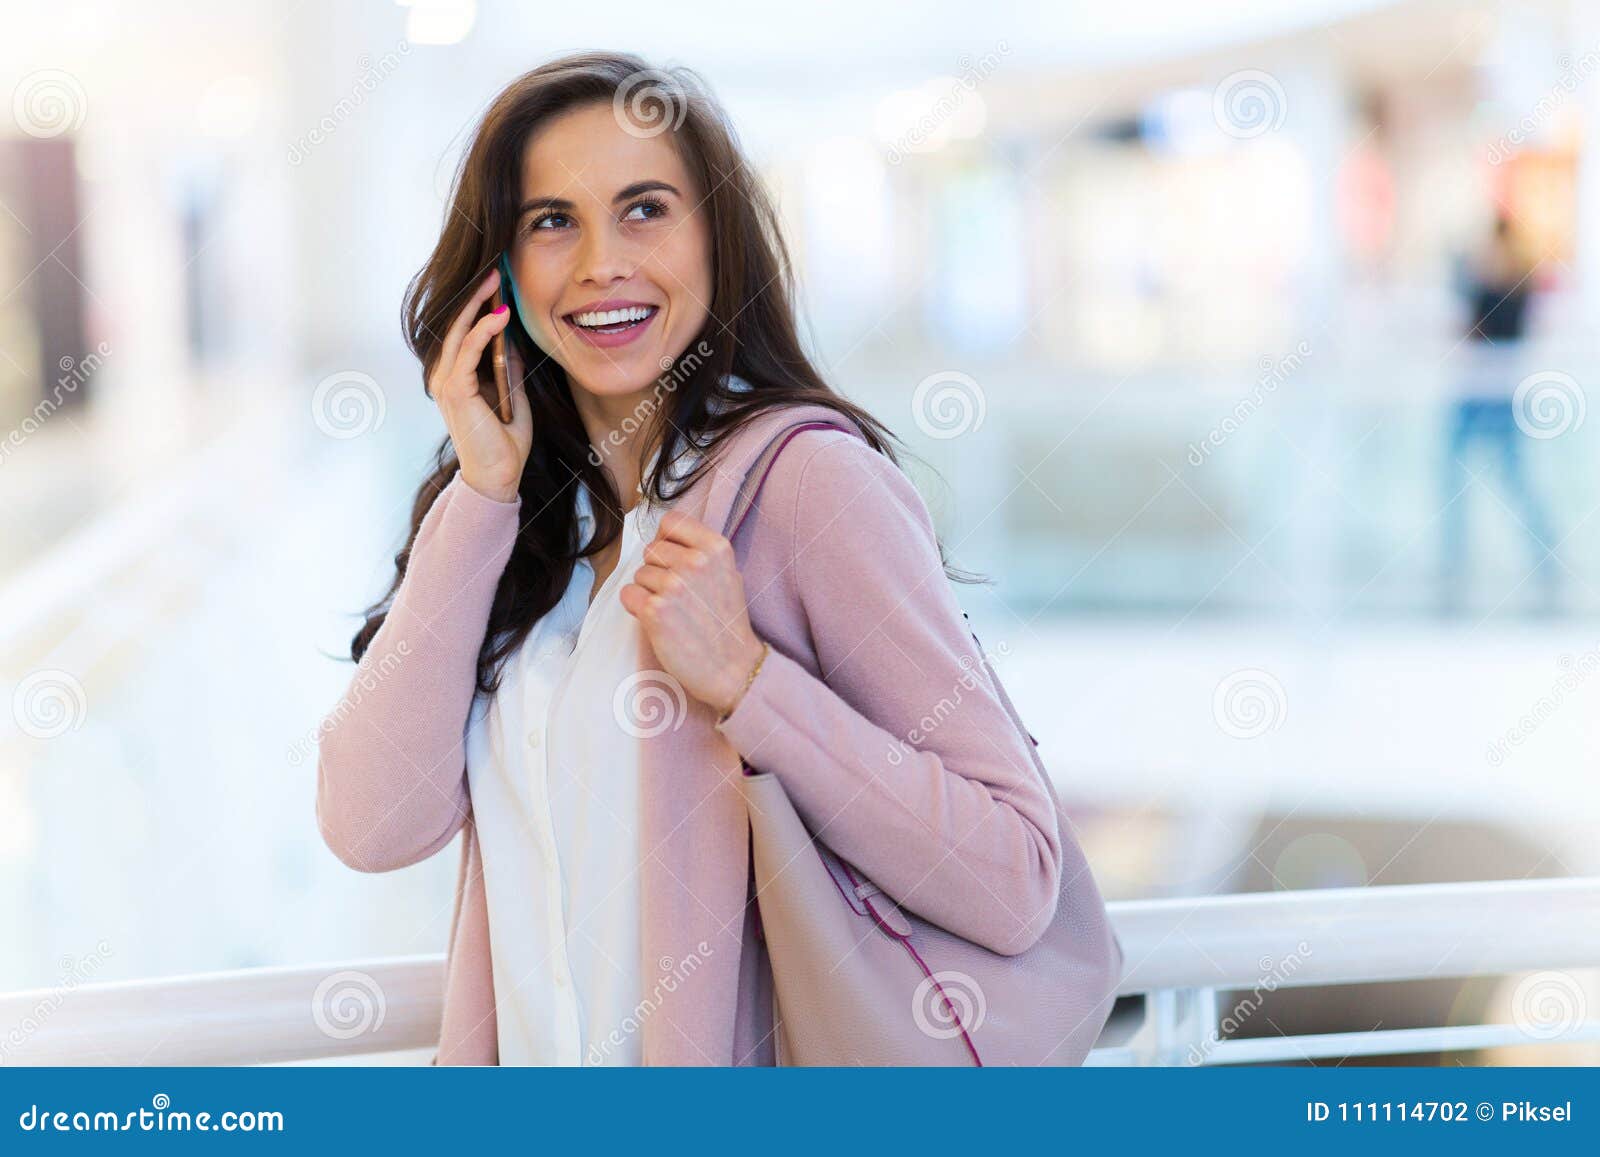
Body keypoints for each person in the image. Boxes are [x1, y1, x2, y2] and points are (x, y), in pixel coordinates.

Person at [313, 52, 1117, 1066]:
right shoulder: (519, 523)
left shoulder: (806, 486)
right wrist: (481, 493)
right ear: (500, 273)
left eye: (644, 209)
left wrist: (750, 685)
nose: (603, 260)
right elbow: (370, 824)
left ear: (717, 239)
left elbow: (1013, 874)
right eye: (552, 221)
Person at [1438, 211, 1558, 614]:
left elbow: (1483, 329)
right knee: (1453, 482)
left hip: (1501, 395)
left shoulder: (1516, 288)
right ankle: (1453, 563)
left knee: (1515, 481)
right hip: (1475, 395)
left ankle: (1545, 560)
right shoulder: (1487, 283)